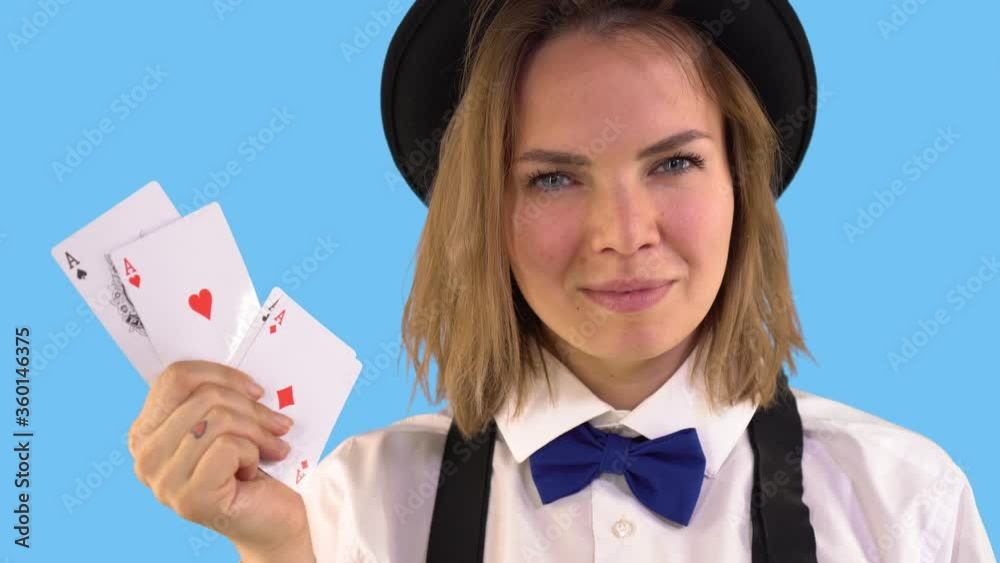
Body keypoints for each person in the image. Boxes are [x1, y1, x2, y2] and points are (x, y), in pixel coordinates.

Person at [126, 0, 997, 562]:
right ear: (483, 212)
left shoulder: (906, 502)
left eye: (675, 163)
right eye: (552, 177)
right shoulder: (355, 508)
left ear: (741, 182)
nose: (623, 235)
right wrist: (280, 549)